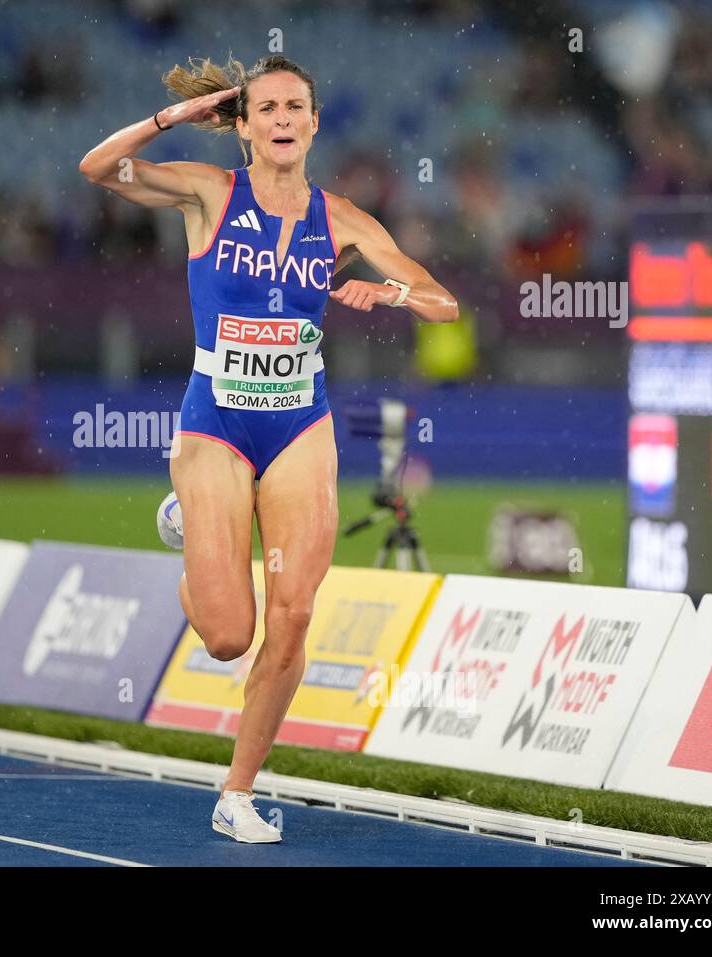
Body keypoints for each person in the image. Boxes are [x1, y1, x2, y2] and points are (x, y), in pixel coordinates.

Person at [80, 56, 457, 842]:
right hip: (215, 419)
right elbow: (99, 168)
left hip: (298, 424)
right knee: (227, 634)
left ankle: (238, 791)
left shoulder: (343, 218)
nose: (283, 117)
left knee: (292, 614)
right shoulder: (210, 192)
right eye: (267, 108)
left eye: (297, 106)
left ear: (314, 122)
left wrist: (384, 292)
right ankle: (190, 523)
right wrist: (172, 118)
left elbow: (442, 303)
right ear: (245, 124)